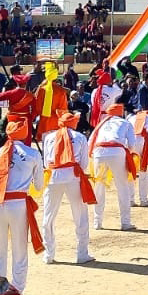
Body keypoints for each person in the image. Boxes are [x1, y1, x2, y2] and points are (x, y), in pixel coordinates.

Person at [0, 138, 45, 292]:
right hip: (18, 204)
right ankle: (16, 290)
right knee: (19, 249)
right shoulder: (33, 154)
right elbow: (39, 185)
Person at [40, 111, 94, 265]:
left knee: (48, 216)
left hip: (53, 177)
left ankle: (48, 254)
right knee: (80, 215)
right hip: (73, 177)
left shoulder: (49, 137)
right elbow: (83, 163)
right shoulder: (80, 137)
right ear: (73, 123)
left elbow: (45, 163)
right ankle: (82, 253)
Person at [87, 101, 139, 232]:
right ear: (121, 113)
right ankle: (125, 223)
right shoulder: (125, 123)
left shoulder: (101, 124)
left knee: (99, 188)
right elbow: (132, 145)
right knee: (123, 187)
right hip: (117, 151)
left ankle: (97, 222)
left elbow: (90, 142)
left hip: (99, 152)